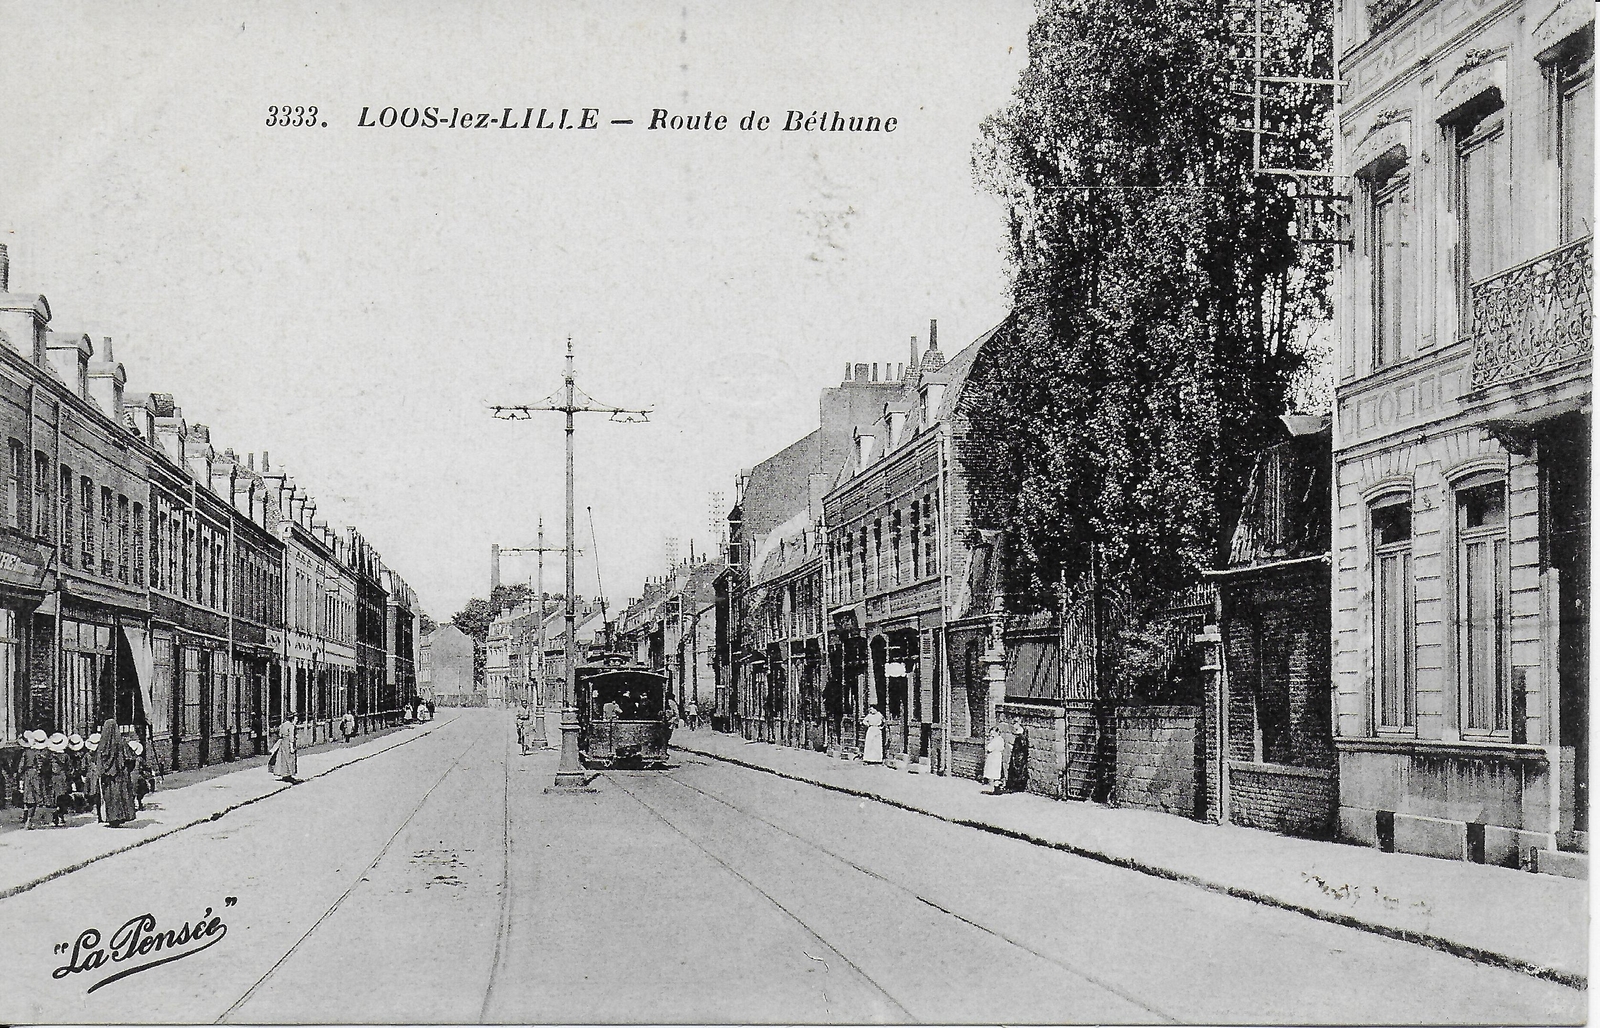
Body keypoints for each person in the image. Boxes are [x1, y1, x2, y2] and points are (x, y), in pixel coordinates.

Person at [97, 719, 137, 827]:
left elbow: (98, 761)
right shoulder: (122, 744)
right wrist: (126, 770)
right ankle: (121, 816)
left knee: (111, 797)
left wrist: (103, 772)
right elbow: (131, 759)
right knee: (121, 796)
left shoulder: (102, 746)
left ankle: (112, 818)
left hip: (108, 778)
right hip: (121, 776)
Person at [19, 731, 45, 828]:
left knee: (27, 795)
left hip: (27, 774)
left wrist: (20, 773)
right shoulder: (38, 753)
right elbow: (41, 766)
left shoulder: (26, 752)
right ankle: (29, 819)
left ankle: (26, 814)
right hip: (35, 775)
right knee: (35, 796)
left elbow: (21, 766)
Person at [44, 733, 70, 826]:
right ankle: (61, 816)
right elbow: (69, 768)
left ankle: (54, 817)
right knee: (62, 797)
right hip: (62, 778)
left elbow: (46, 768)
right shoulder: (66, 756)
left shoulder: (50, 756)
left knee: (53, 798)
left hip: (53, 778)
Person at [1003, 720, 1030, 795]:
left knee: (1017, 770)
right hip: (1017, 755)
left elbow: (1022, 747)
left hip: (1019, 756)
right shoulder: (1019, 736)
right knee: (1014, 769)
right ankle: (1013, 786)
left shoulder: (1021, 737)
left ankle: (1016, 786)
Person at [269, 715, 299, 781]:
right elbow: (291, 738)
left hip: (283, 743)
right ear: (292, 719)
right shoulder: (291, 726)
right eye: (295, 719)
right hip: (288, 743)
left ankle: (284, 774)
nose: (296, 721)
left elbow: (280, 735)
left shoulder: (282, 725)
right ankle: (288, 775)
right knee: (290, 759)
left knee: (283, 759)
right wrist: (292, 747)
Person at [84, 733, 103, 822]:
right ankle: (100, 814)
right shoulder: (101, 754)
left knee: (93, 793)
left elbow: (83, 766)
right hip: (99, 775)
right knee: (99, 794)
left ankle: (96, 810)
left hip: (91, 776)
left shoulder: (87, 755)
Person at [983, 724, 1005, 794]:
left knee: (994, 772)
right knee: (997, 773)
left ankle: (997, 789)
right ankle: (997, 788)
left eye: (993, 733)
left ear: (997, 732)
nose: (992, 735)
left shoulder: (995, 740)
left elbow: (989, 748)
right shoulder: (1001, 739)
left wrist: (989, 742)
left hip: (994, 757)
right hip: (998, 756)